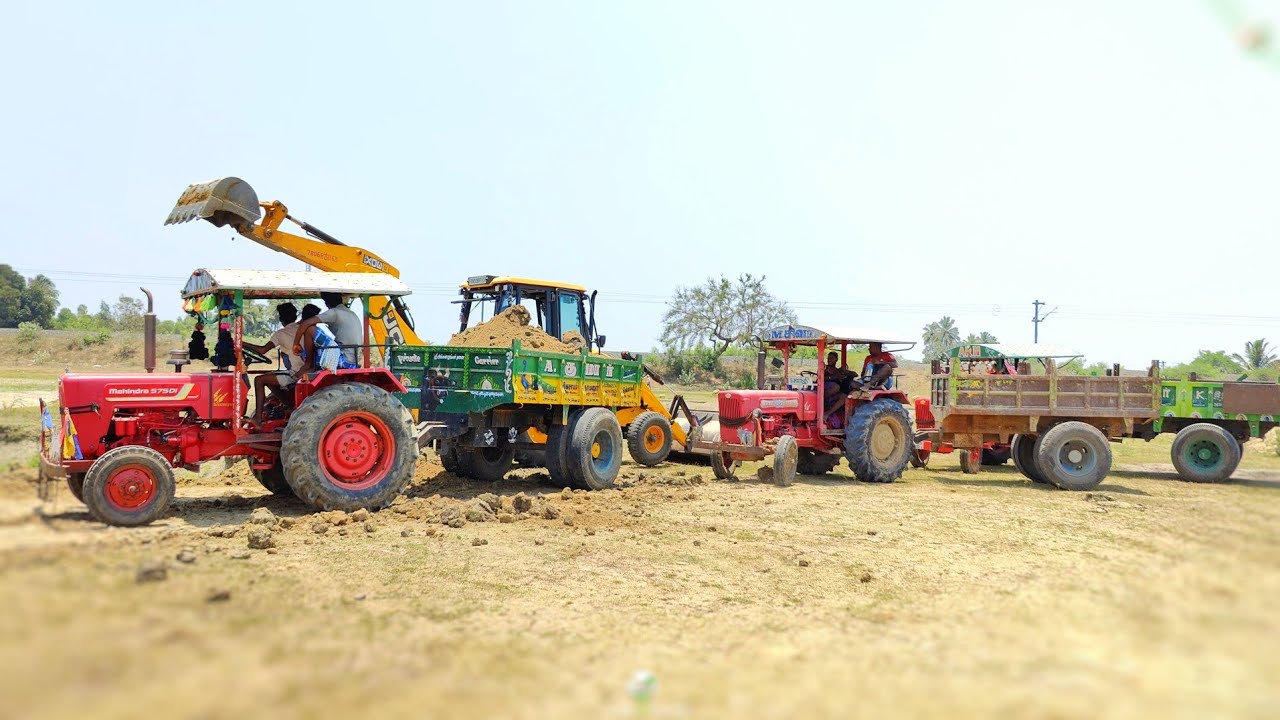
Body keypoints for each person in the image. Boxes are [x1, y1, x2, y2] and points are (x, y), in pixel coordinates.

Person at [242, 303, 302, 423]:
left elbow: (262, 350)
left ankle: (258, 419)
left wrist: (242, 343)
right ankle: (288, 404)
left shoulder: (281, 333)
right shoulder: (303, 329)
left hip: (295, 373)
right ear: (295, 316)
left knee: (259, 380)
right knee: (269, 377)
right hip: (303, 370)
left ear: (280, 319)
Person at [294, 292, 362, 368]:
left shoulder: (334, 312)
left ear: (326, 304)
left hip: (343, 359)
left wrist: (296, 343)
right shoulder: (352, 313)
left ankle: (309, 363)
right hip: (354, 361)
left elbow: (305, 323)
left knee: (310, 329)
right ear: (341, 300)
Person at [822, 350, 856, 418]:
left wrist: (846, 372)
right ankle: (822, 399)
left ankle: (827, 414)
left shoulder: (838, 370)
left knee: (844, 396)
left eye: (832, 358)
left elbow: (855, 374)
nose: (829, 360)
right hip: (825, 390)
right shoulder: (824, 369)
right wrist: (833, 377)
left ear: (836, 359)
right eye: (829, 358)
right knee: (836, 387)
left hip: (835, 393)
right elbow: (819, 378)